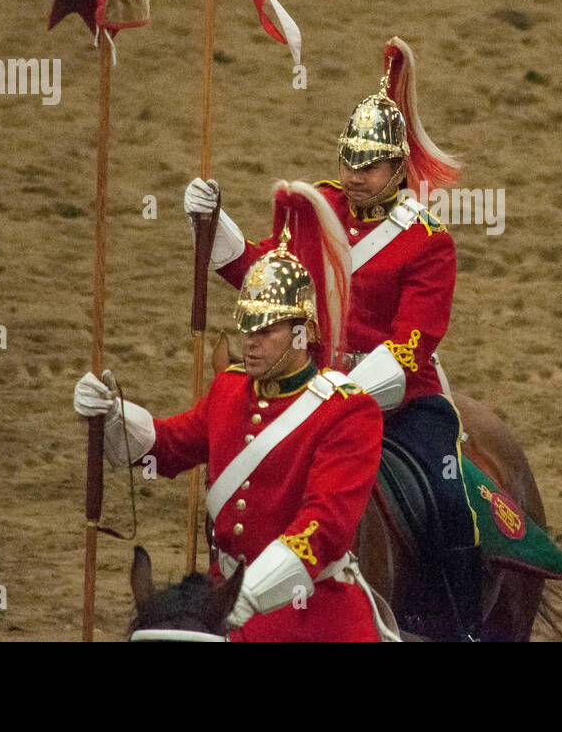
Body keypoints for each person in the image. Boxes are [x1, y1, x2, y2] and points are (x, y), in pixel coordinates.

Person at [184, 37, 483, 637]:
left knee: (451, 503)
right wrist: (214, 226)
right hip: (309, 388)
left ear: (399, 169)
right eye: (347, 160)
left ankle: (460, 624)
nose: (352, 175)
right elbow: (266, 275)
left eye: (367, 165)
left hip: (401, 399)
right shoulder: (315, 206)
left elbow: (408, 349)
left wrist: (338, 392)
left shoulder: (428, 242)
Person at [76, 181, 395, 641]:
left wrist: (247, 598)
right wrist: (111, 416)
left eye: (266, 330)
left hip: (310, 610)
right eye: (247, 326)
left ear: (303, 333)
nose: (250, 340)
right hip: (219, 600)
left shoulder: (348, 411)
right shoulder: (229, 390)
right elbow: (163, 448)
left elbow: (322, 531)